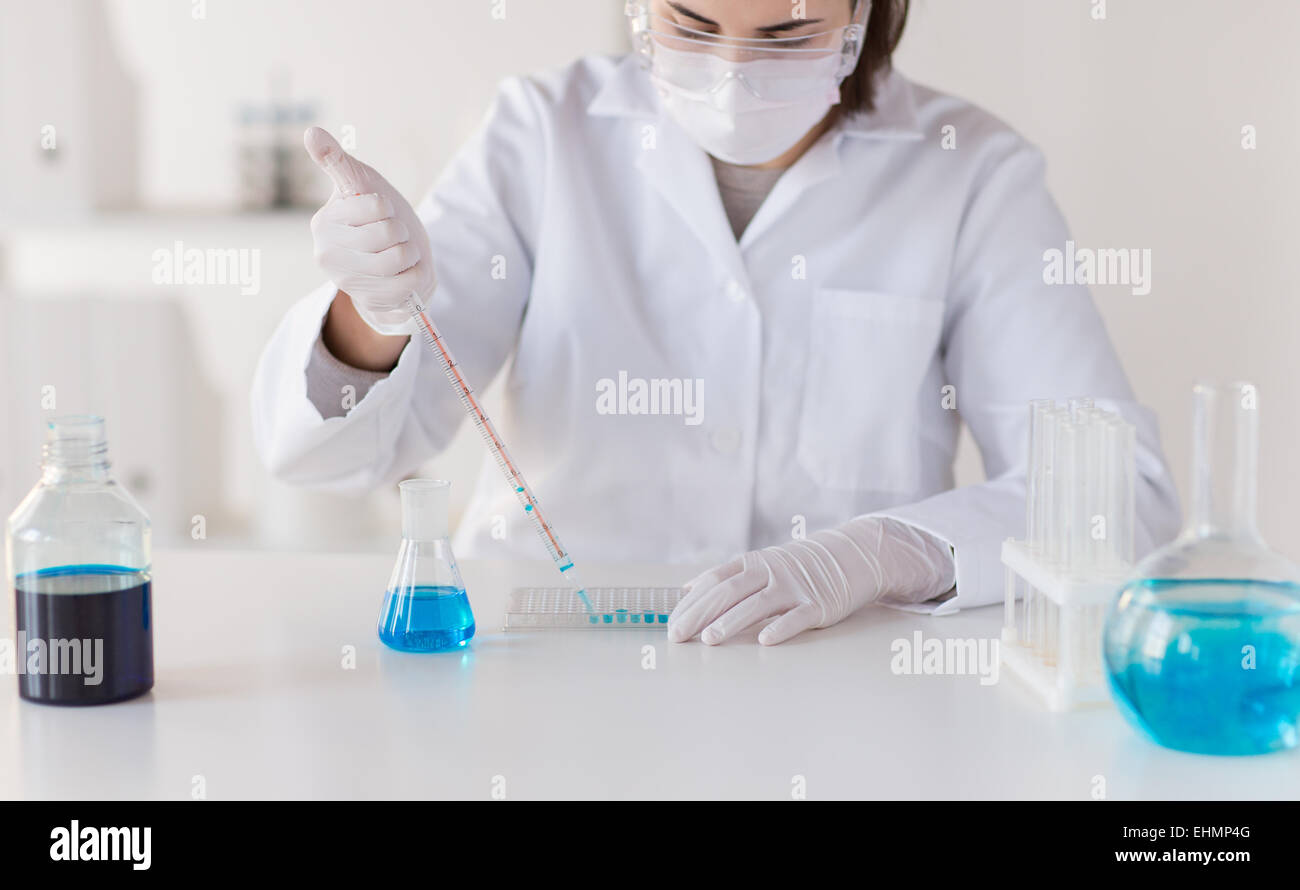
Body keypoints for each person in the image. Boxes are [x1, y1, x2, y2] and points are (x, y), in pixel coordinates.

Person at [250, 0, 1181, 646]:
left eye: (786, 34)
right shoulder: (541, 132)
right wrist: (370, 317)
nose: (734, 78)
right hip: (559, 654)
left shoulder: (971, 172)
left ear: (860, 21)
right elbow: (342, 458)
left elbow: (1122, 497)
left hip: (841, 667)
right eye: (692, 25)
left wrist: (891, 553)